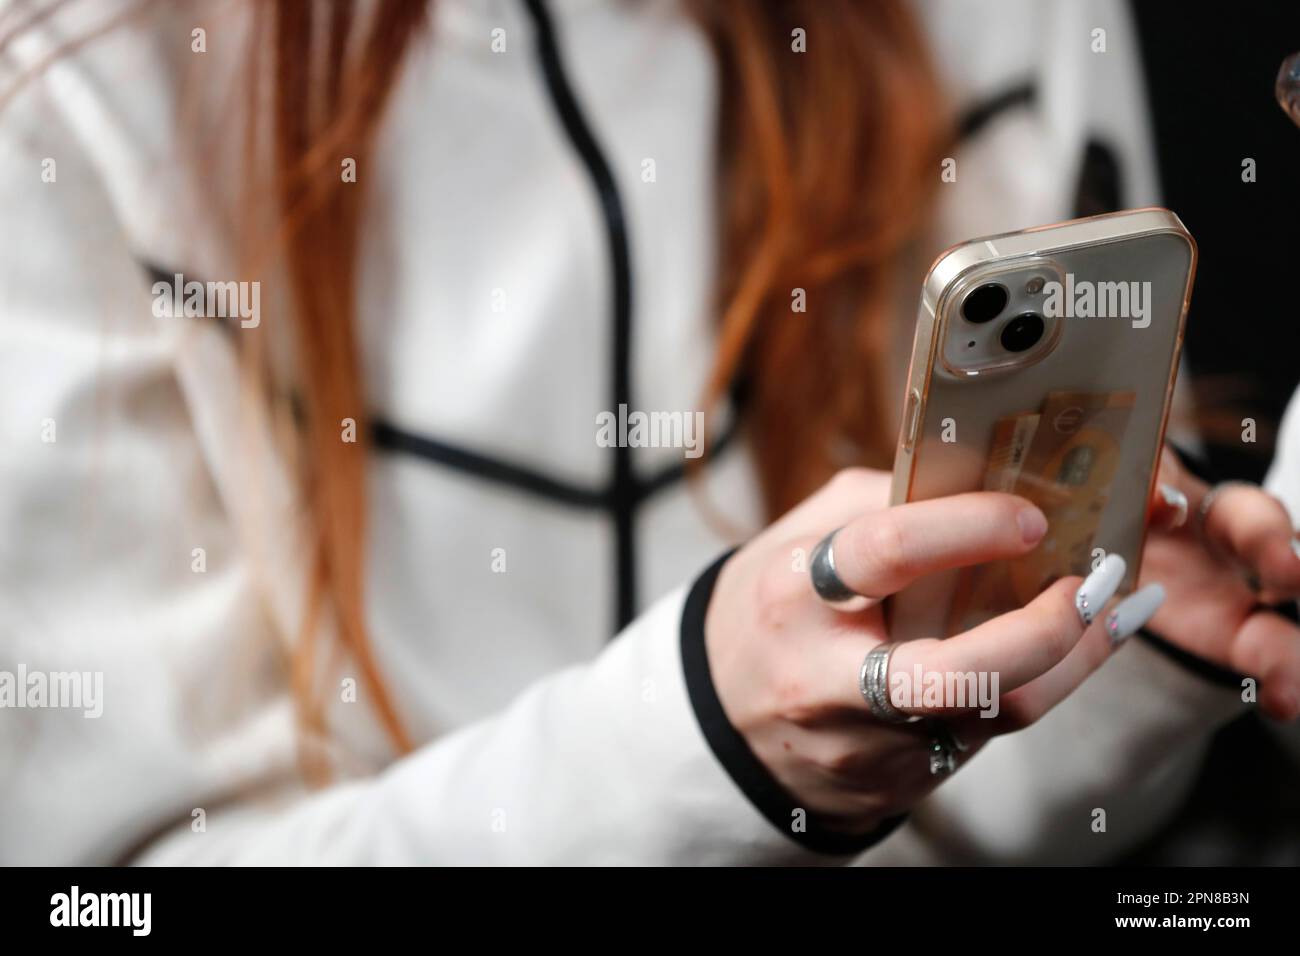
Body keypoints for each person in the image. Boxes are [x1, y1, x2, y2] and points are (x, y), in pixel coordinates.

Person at [1, 0, 1296, 865]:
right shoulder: (72, 75)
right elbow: (116, 877)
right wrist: (701, 743)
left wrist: (1139, 672)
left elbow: (1022, 824)